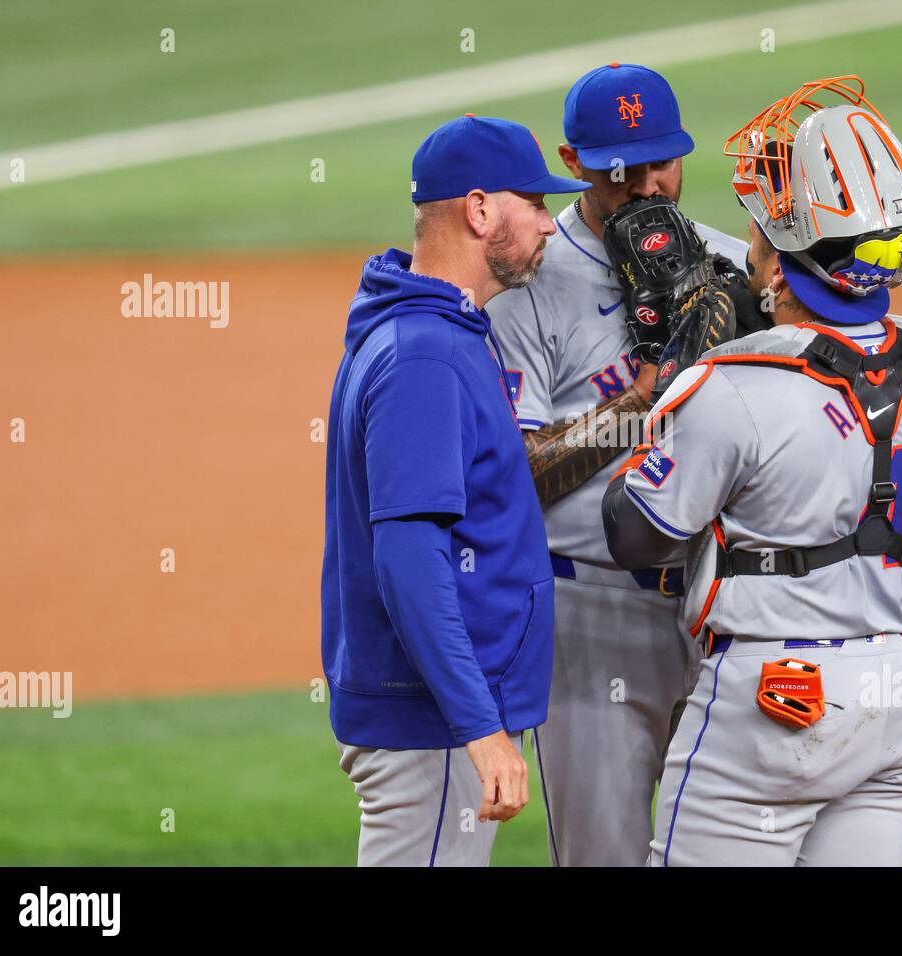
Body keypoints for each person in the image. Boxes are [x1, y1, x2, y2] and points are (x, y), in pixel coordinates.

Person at [603, 76, 902, 866]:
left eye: (759, 237)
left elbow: (636, 533)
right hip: (898, 693)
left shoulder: (734, 385)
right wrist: (869, 508)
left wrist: (668, 382)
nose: (749, 249)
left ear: (780, 266)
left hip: (773, 707)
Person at [485, 63, 748, 867]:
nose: (642, 184)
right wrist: (638, 405)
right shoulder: (527, 284)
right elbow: (511, 477)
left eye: (659, 162)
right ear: (572, 161)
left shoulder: (733, 269)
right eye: (616, 170)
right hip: (593, 614)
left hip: (723, 607)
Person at [321, 114, 589, 866]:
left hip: (433, 713)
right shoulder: (425, 356)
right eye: (533, 203)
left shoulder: (433, 329)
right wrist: (478, 726)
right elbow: (407, 558)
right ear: (478, 211)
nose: (548, 223)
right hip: (431, 720)